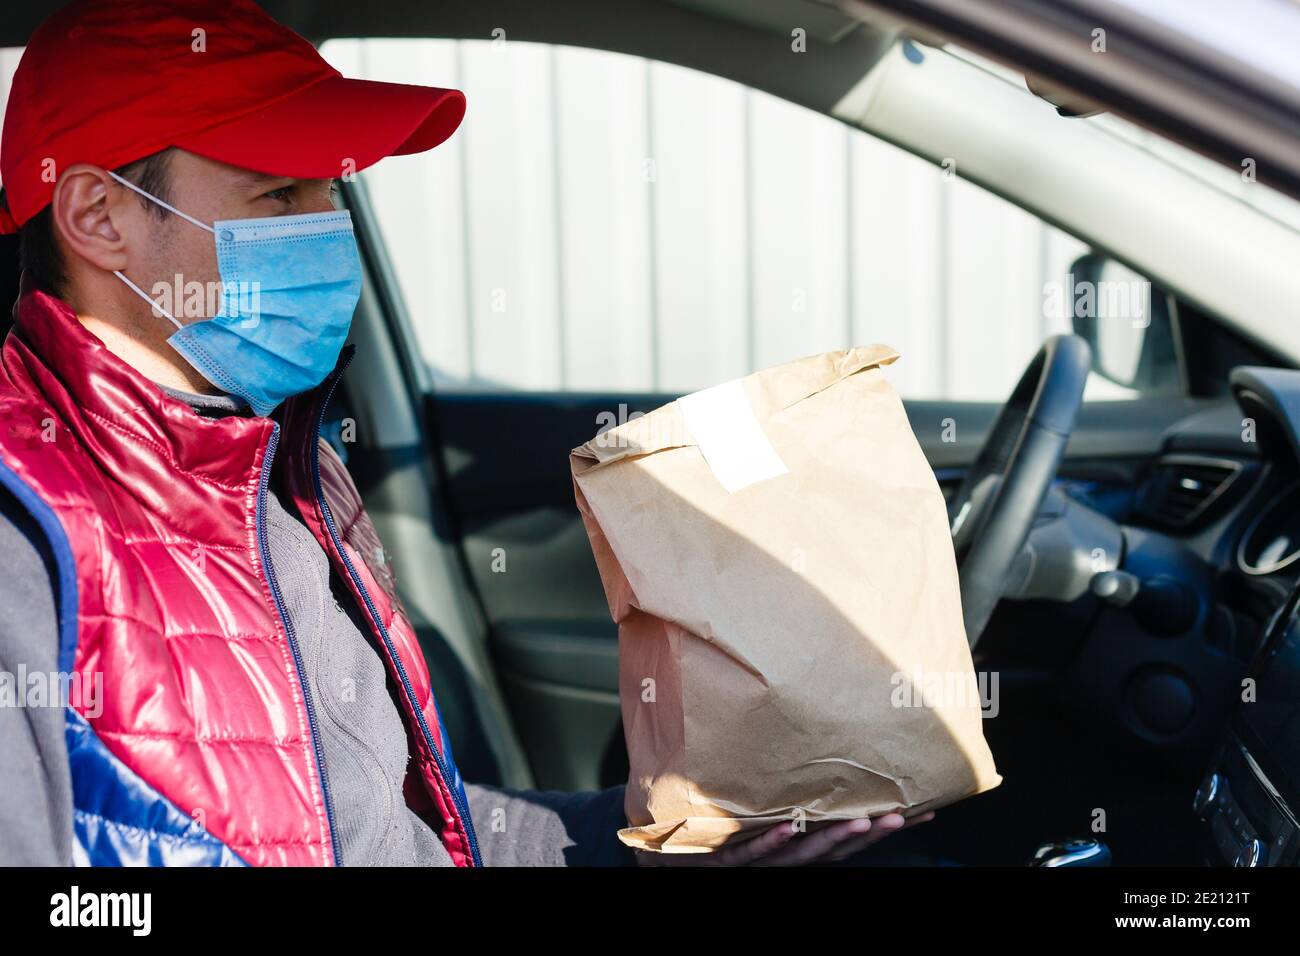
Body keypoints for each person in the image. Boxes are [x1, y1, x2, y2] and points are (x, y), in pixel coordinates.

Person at [0, 0, 928, 867]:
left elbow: (402, 831)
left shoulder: (280, 474)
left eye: (334, 193)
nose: (329, 230)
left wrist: (648, 836)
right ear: (98, 216)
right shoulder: (27, 527)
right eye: (280, 196)